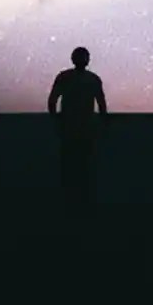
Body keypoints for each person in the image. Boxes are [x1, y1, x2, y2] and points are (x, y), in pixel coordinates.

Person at [47, 47, 108, 215]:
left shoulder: (65, 77)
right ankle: (82, 203)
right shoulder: (93, 79)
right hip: (84, 129)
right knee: (83, 167)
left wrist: (56, 120)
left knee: (70, 166)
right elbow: (102, 105)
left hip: (71, 128)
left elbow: (52, 101)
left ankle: (70, 202)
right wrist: (103, 124)